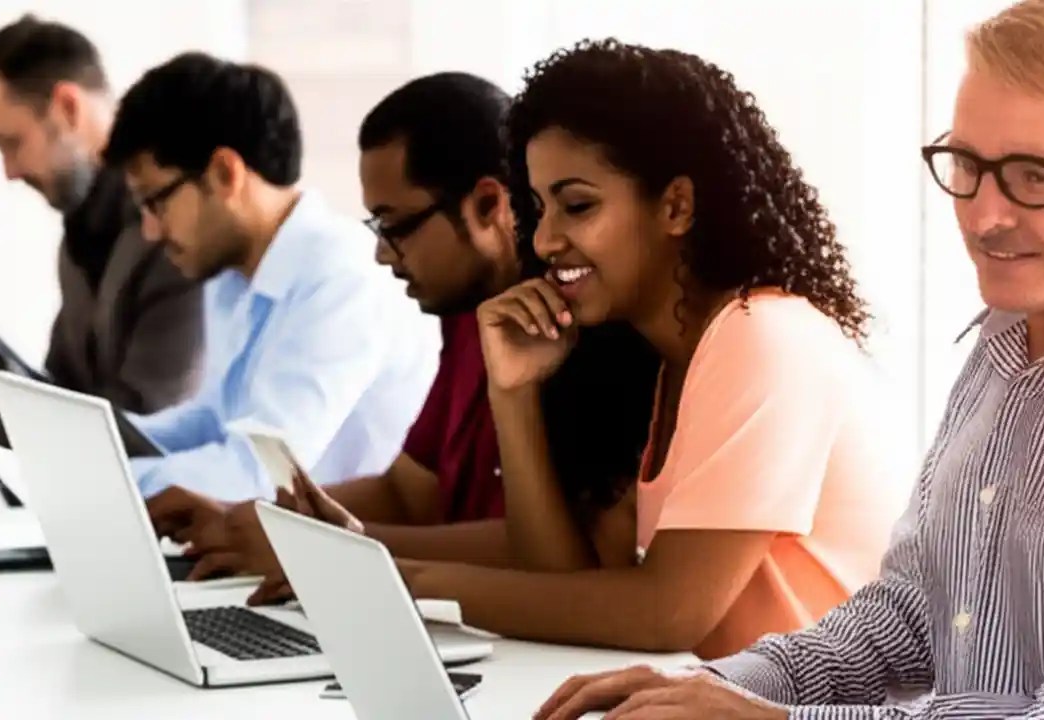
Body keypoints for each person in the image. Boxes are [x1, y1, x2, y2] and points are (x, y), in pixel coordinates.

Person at [535, 1, 1044, 718]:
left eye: (1033, 176)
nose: (983, 215)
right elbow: (908, 618)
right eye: (967, 164)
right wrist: (713, 688)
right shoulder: (1008, 338)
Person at [287, 39, 910, 660]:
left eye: (577, 205)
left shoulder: (764, 336)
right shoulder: (661, 360)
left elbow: (667, 614)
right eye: (537, 208)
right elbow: (563, 582)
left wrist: (403, 578)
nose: (548, 239)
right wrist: (514, 393)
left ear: (676, 206)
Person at [145, 72, 660, 589]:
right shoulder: (463, 317)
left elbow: (556, 553)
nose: (381, 253)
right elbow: (409, 492)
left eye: (395, 226)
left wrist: (332, 545)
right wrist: (240, 519)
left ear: (487, 205)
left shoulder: (587, 330)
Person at [102, 52, 439, 502]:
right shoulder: (231, 277)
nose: (150, 230)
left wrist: (100, 481)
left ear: (225, 173)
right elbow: (213, 421)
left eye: (155, 201)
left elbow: (260, 475)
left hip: (339, 554)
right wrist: (99, 443)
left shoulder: (343, 275)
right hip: (267, 544)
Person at [0, 16, 204, 442]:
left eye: (11, 142)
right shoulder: (81, 236)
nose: (9, 172)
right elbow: (65, 389)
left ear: (68, 107)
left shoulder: (177, 238)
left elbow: (149, 426)